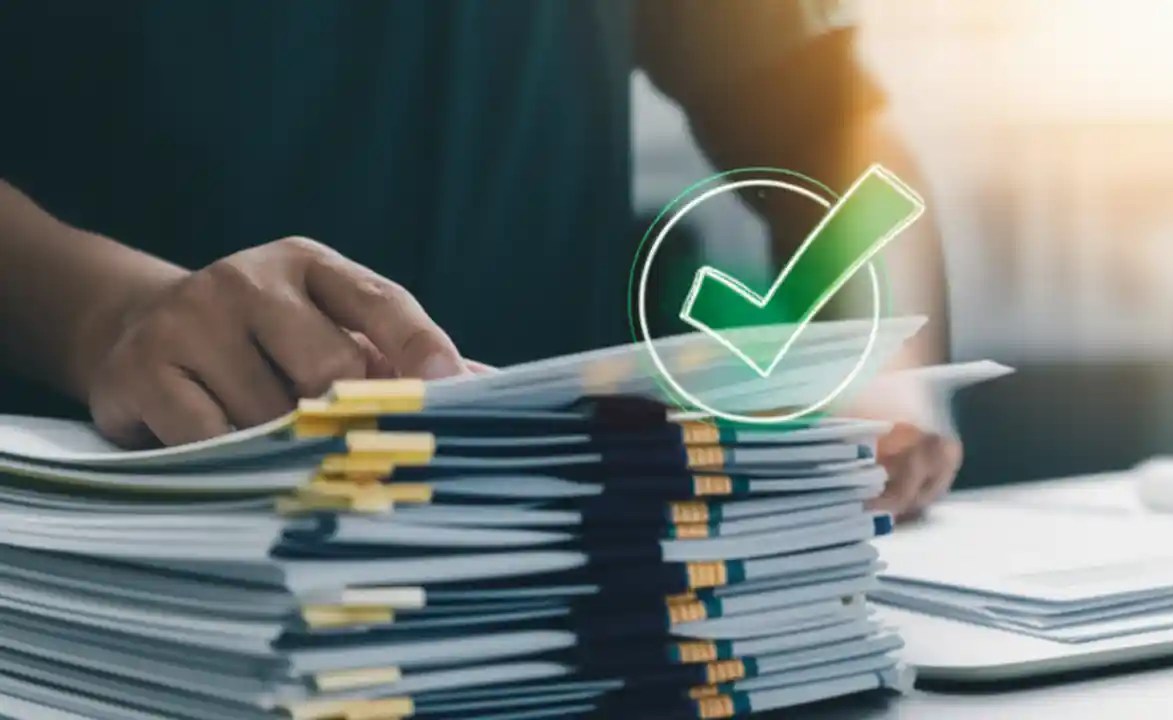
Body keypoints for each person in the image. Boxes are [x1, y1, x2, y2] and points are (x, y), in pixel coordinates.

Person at [0, 1, 958, 518]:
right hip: (122, 539)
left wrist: (882, 362)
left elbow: (833, 120)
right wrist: (102, 315)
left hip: (563, 555)